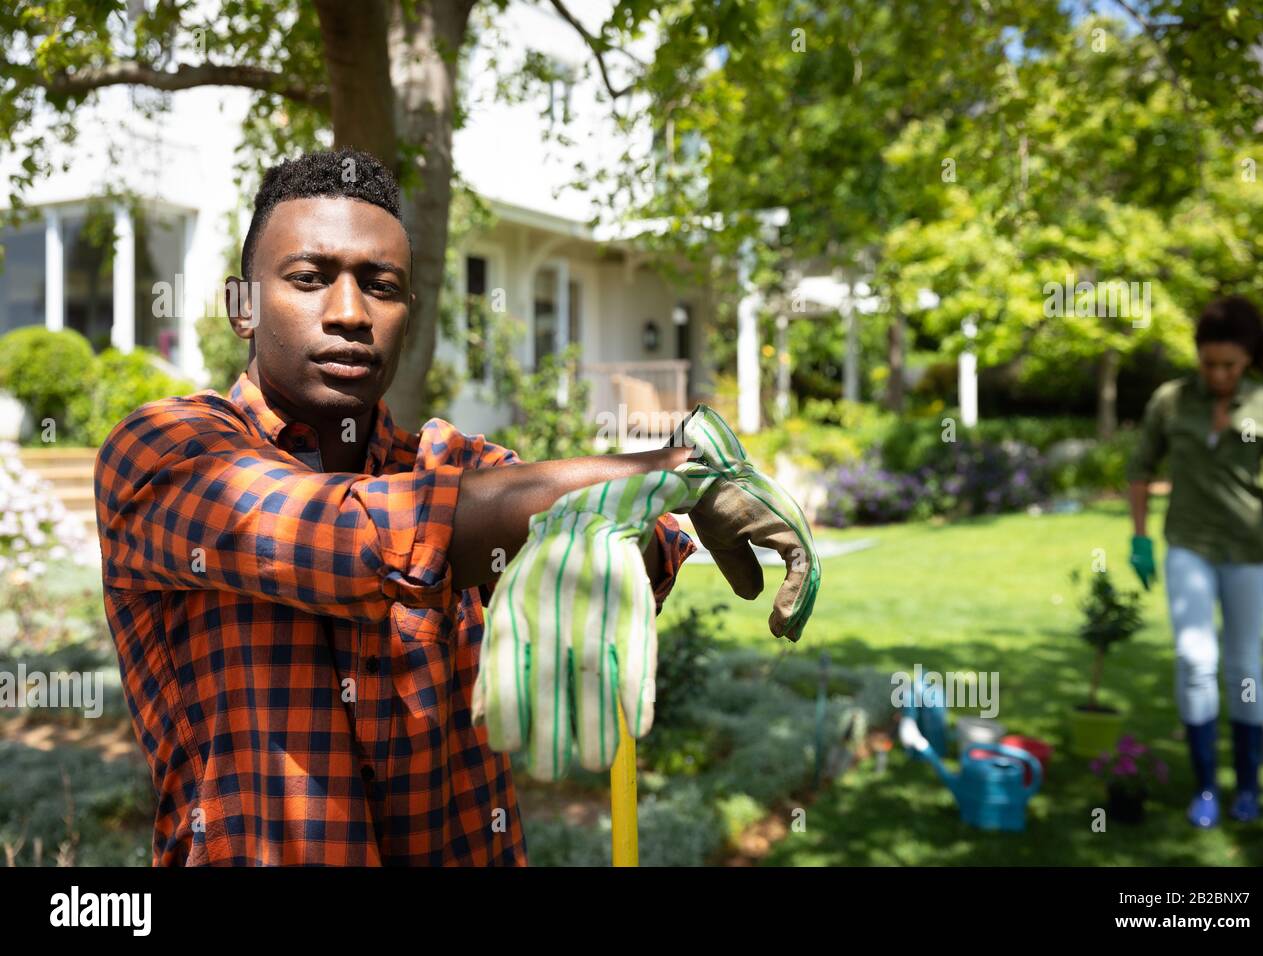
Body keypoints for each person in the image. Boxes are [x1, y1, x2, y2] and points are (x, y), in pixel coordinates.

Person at [93, 149, 811, 865]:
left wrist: (629, 526)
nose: (350, 313)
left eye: (383, 286)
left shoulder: (451, 463)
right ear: (241, 308)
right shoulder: (164, 452)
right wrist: (671, 473)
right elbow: (355, 533)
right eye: (309, 279)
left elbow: (631, 541)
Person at [1127, 294, 1263, 828]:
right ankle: (1205, 787)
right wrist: (1140, 538)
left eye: (1230, 364)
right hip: (1189, 548)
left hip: (1247, 551)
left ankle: (1246, 786)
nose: (1219, 374)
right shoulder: (1172, 401)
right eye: (1209, 363)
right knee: (1196, 659)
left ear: (1247, 358)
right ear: (1198, 356)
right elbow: (1139, 468)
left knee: (1245, 667)